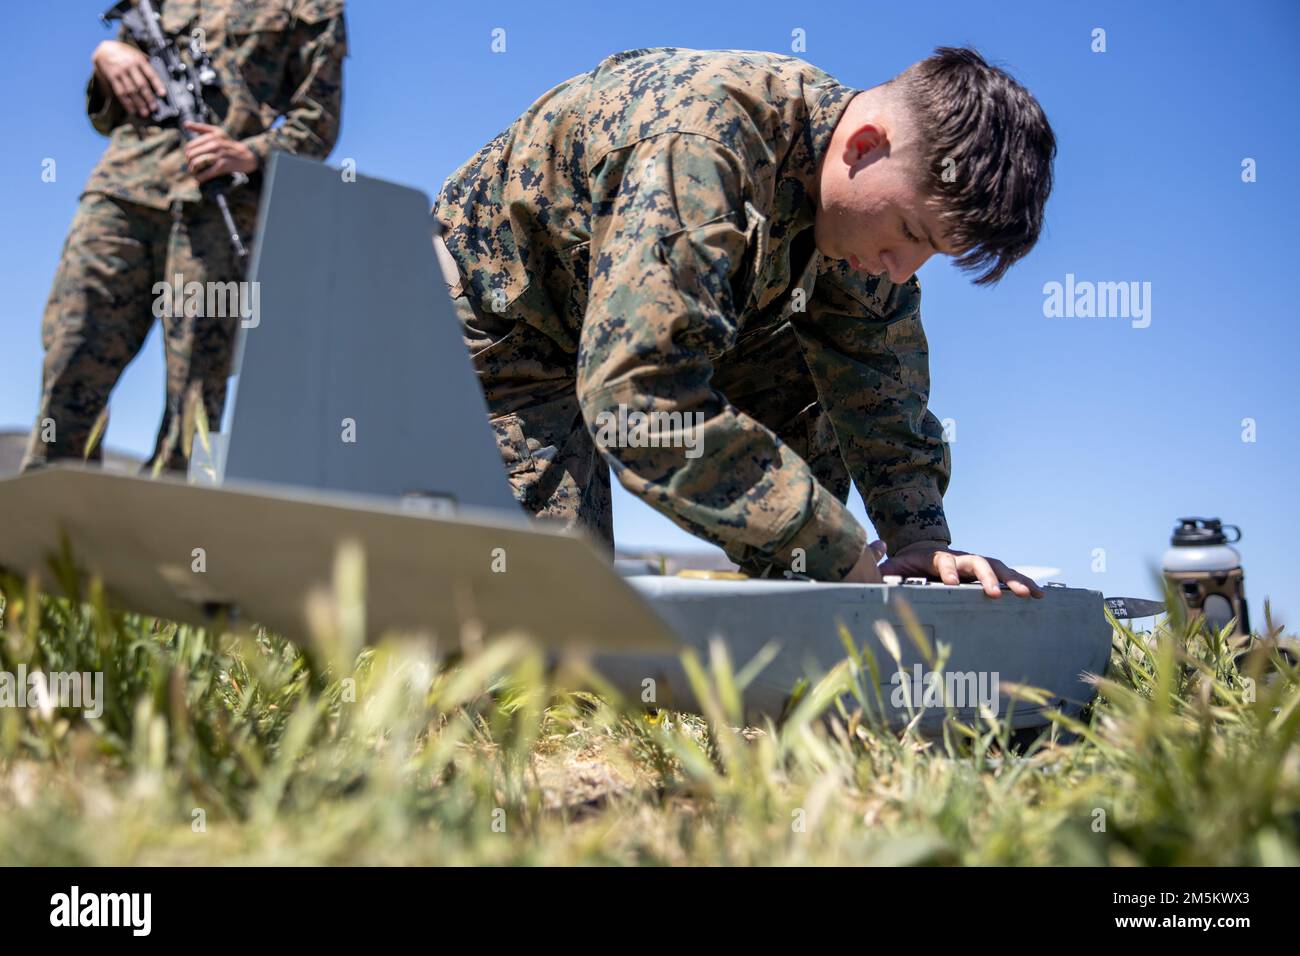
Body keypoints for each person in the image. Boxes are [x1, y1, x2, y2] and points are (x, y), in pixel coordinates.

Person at [434, 47, 1054, 595]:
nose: (901, 269)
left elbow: (878, 375)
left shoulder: (859, 213)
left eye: (929, 253)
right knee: (539, 644)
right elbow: (639, 398)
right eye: (911, 233)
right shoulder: (701, 150)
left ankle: (795, 645)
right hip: (509, 334)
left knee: (815, 388)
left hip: (646, 331)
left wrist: (920, 540)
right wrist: (832, 547)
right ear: (865, 146)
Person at [22, 0, 346, 474]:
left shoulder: (313, 7)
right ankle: (49, 528)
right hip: (122, 193)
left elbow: (317, 124)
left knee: (195, 395)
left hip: (220, 210)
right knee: (71, 359)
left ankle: (166, 540)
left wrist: (248, 151)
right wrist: (107, 57)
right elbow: (105, 119)